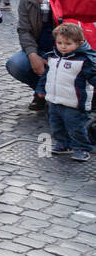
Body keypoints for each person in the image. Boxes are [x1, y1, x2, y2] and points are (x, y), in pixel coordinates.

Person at [8, 0, 62, 112]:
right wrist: (32, 55)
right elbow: (24, 30)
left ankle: (47, 94)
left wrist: (48, 0)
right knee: (15, 64)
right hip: (40, 48)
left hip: (63, 52)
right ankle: (44, 92)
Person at [40, 22, 95, 161]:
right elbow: (46, 75)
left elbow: (93, 76)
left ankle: (81, 148)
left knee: (76, 127)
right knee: (56, 124)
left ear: (79, 43)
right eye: (60, 42)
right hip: (55, 99)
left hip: (74, 102)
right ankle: (63, 144)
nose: (63, 46)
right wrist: (40, 89)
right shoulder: (52, 57)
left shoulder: (84, 60)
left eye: (68, 43)